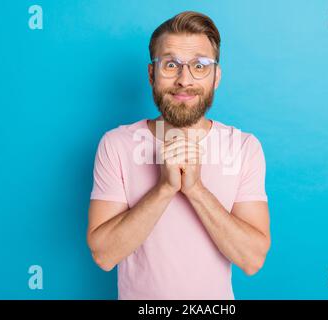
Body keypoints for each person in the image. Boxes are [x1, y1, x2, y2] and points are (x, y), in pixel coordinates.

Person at [87, 11, 271, 300]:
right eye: (171, 64)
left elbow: (252, 259)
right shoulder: (117, 144)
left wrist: (195, 189)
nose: (184, 80)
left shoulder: (244, 147)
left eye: (200, 65)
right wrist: (165, 188)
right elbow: (104, 254)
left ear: (216, 77)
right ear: (151, 74)